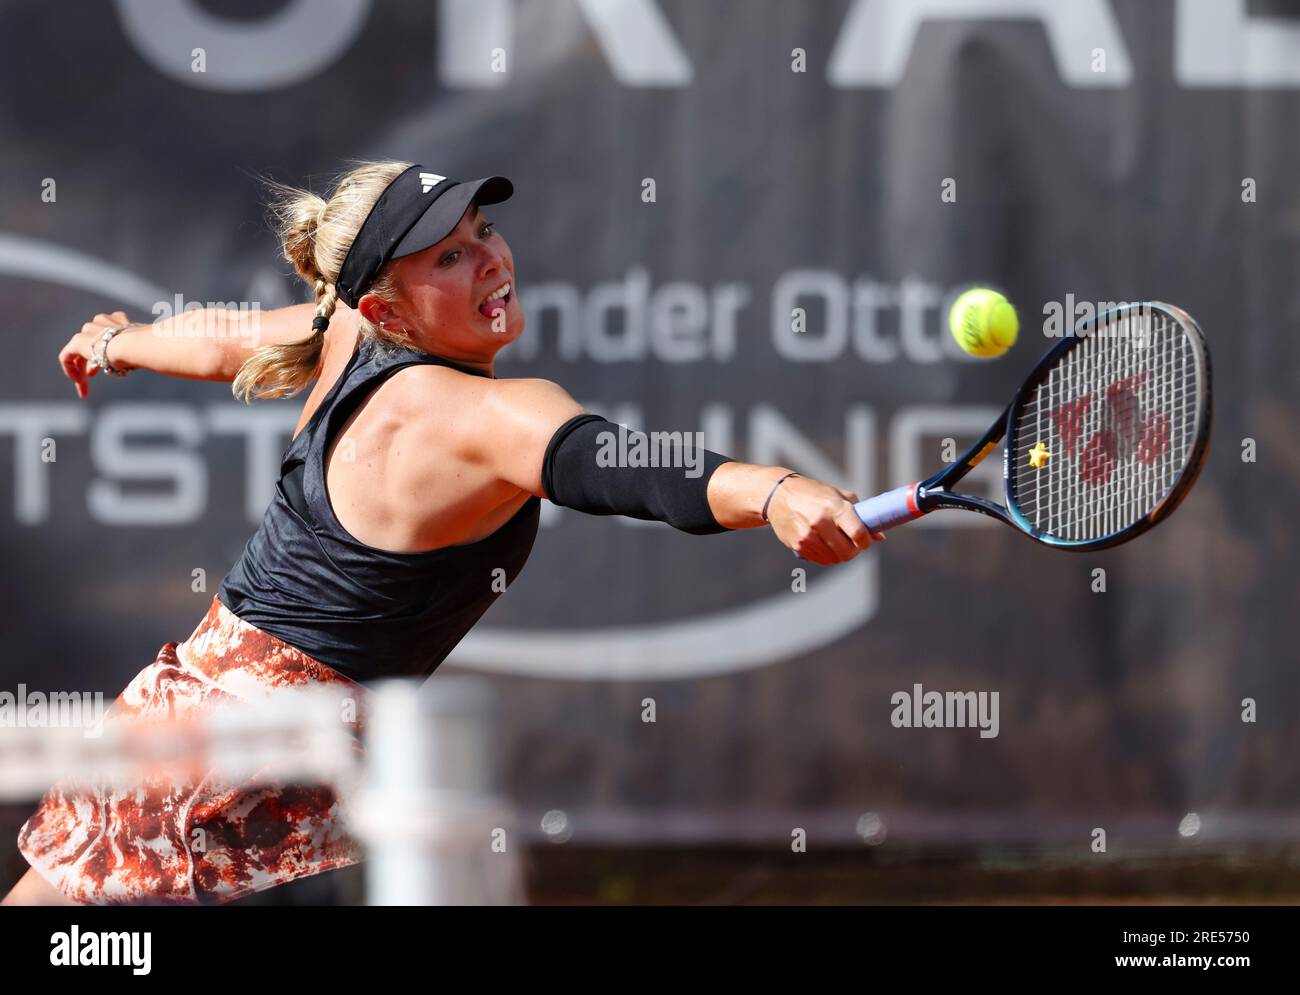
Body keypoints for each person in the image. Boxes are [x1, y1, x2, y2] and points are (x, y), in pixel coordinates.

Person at [3, 160, 879, 906]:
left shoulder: (345, 327)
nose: (490, 261)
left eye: (483, 231)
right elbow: (631, 465)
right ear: (388, 310)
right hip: (265, 781)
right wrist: (772, 489)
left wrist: (123, 341)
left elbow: (232, 340)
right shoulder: (483, 414)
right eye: (450, 256)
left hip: (171, 720)